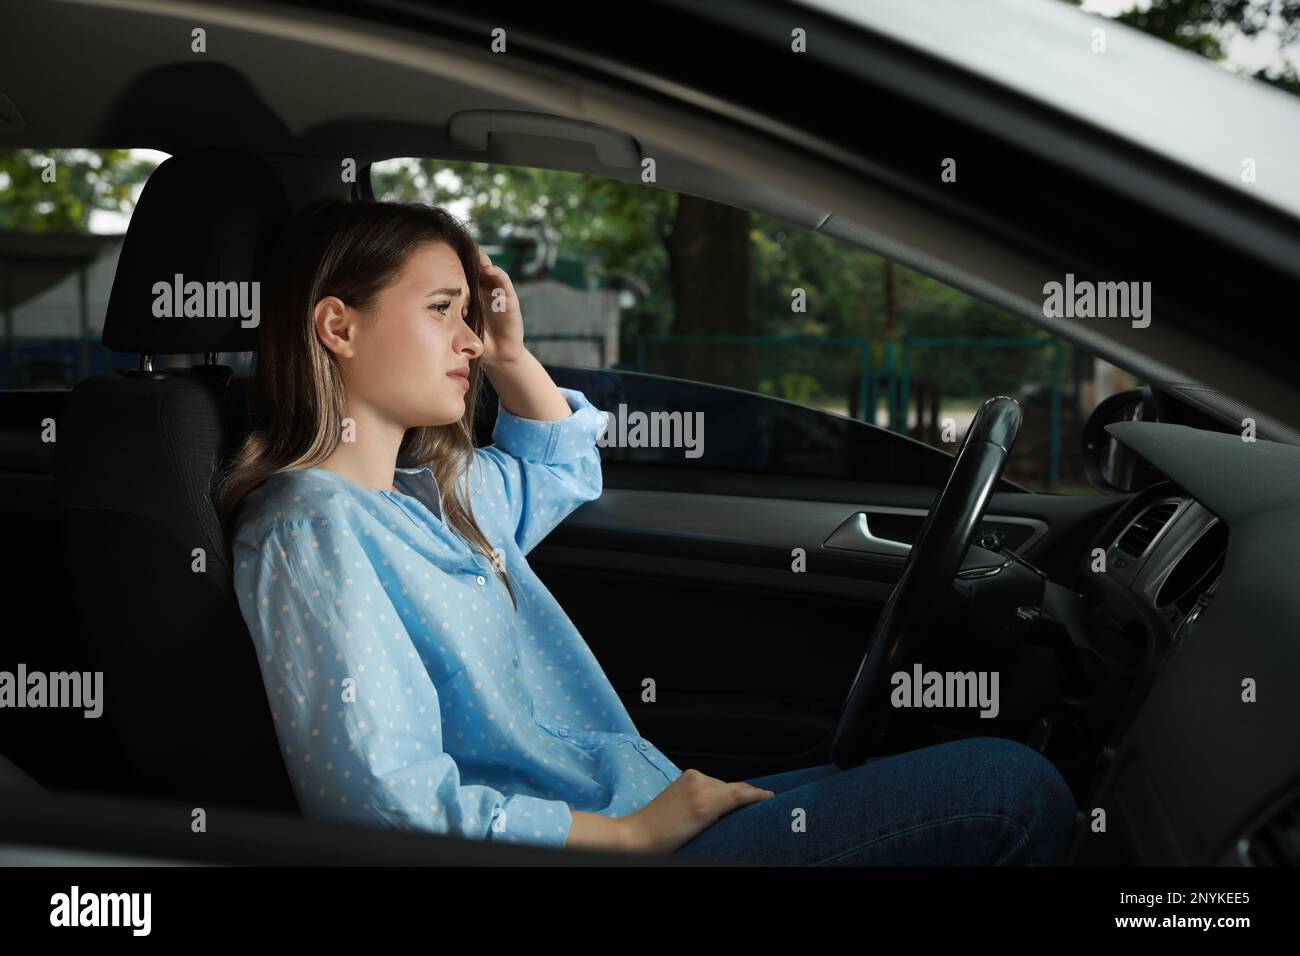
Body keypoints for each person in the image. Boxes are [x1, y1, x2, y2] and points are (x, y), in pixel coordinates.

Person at [216, 197, 1078, 865]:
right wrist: (629, 840)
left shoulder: (436, 493)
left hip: (641, 804)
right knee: (1011, 792)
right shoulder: (310, 527)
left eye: (470, 317)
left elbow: (560, 468)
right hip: (606, 848)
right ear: (338, 325)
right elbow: (384, 806)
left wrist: (516, 354)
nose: (470, 341)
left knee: (970, 763)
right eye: (444, 309)